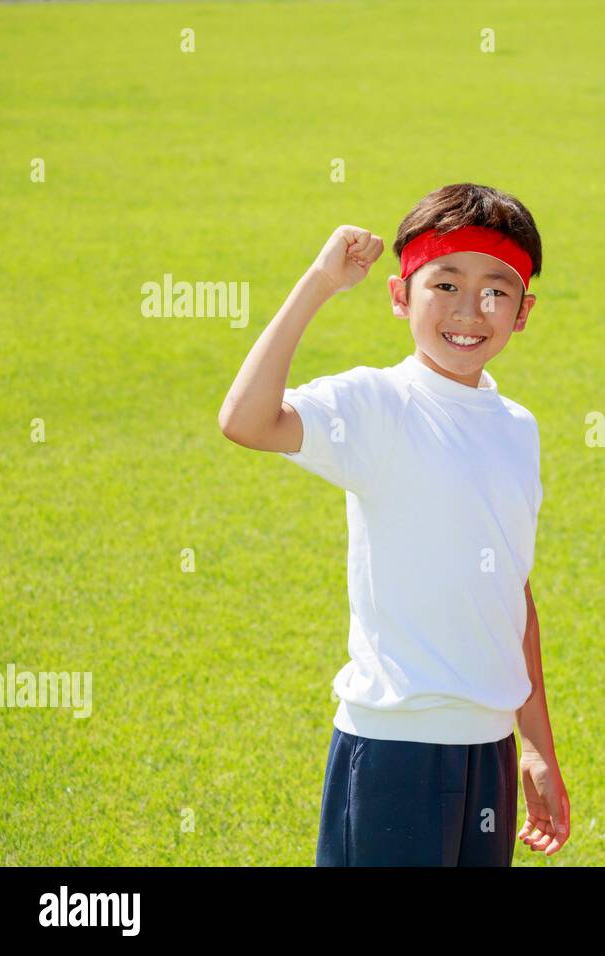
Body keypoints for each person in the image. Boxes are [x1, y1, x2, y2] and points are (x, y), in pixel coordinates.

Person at [217, 183, 569, 865]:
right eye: (445, 284)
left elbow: (512, 595)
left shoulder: (516, 428)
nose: (471, 311)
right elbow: (247, 421)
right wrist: (319, 284)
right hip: (395, 747)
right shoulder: (378, 402)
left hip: (488, 746)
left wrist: (535, 744)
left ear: (523, 313)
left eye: (496, 291)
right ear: (400, 296)